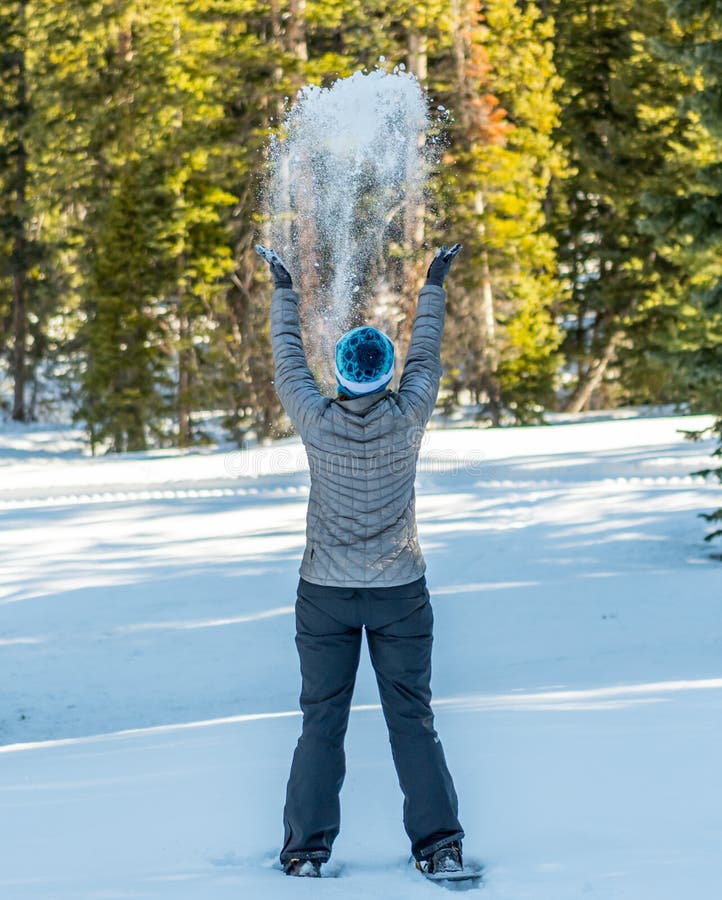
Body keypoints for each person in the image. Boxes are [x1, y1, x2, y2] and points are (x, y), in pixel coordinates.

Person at [255, 242, 465, 879]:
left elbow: (287, 358)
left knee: (322, 723)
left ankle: (304, 852)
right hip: (401, 591)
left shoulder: (316, 419)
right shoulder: (409, 415)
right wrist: (433, 284)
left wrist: (284, 291)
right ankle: (440, 847)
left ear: (343, 376)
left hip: (324, 594)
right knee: (413, 721)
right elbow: (425, 352)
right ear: (387, 375)